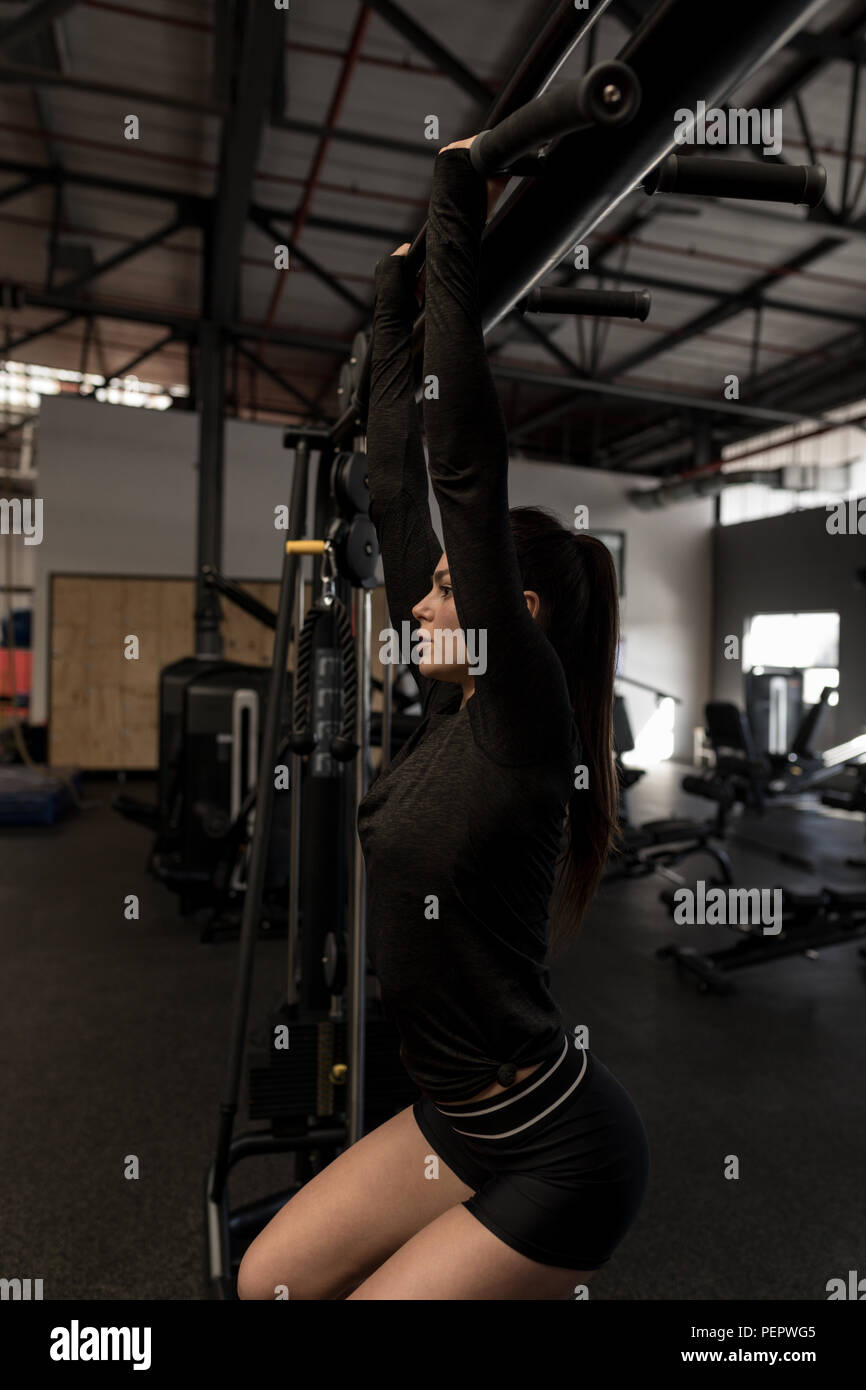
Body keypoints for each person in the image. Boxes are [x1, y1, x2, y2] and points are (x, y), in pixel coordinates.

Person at [237, 139, 650, 1302]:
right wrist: (388, 298)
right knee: (266, 1278)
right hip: (451, 1120)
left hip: (556, 1146)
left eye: (439, 589)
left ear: (511, 616)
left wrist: (457, 206)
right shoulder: (448, 697)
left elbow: (461, 464)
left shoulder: (524, 721)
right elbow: (391, 483)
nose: (415, 599)